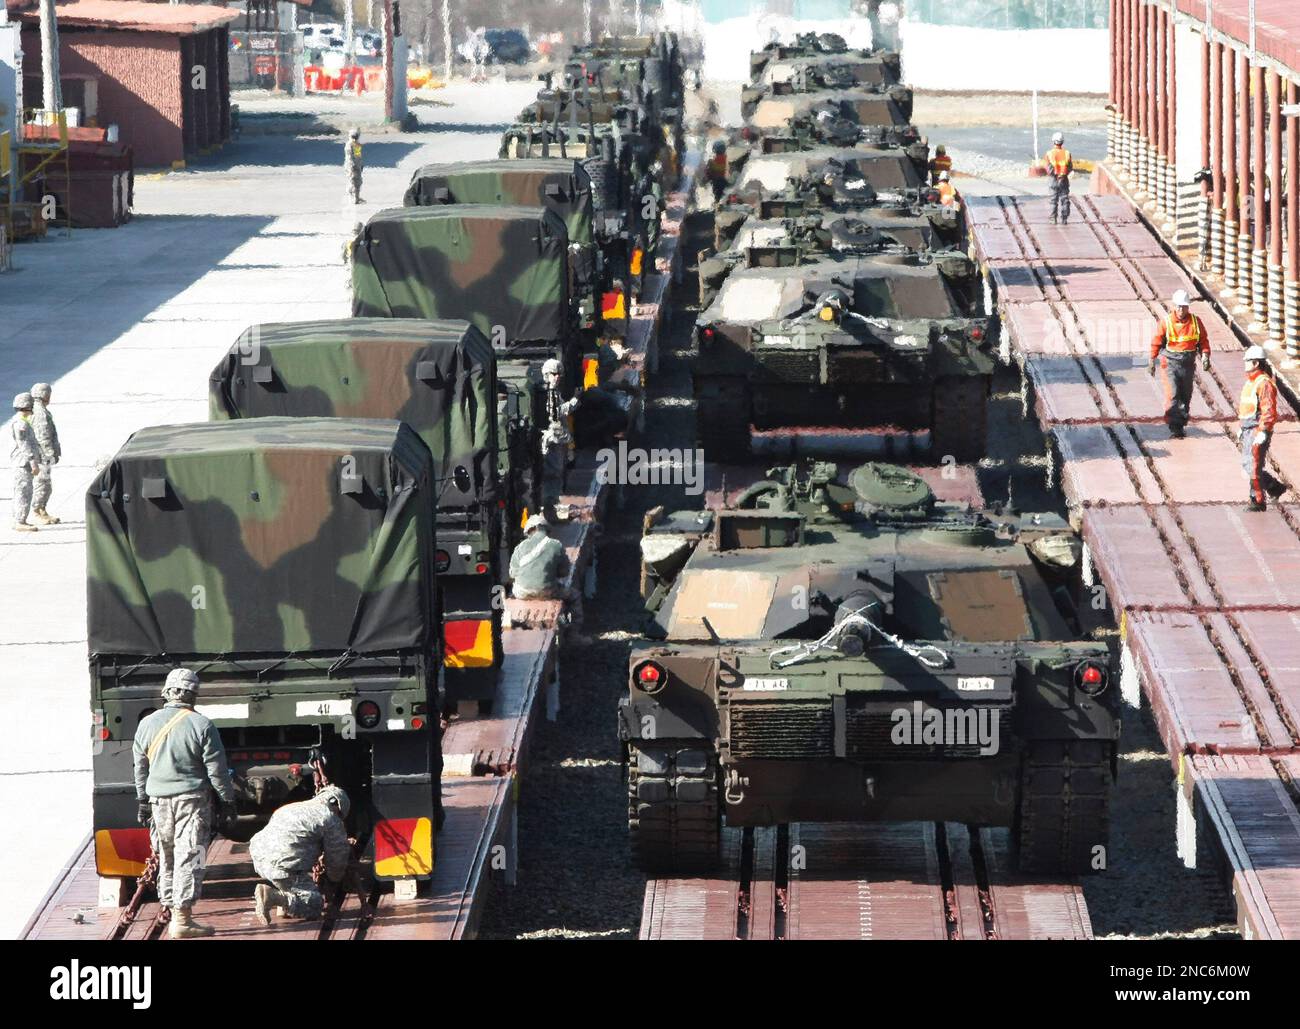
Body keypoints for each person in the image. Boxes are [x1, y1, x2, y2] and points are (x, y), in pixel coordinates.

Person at [133, 668, 237, 939]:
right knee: (191, 855)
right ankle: (183, 920)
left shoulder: (146, 724)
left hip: (157, 803)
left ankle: (168, 908)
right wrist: (227, 801)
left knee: (166, 855)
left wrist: (143, 801)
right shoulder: (202, 725)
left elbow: (140, 768)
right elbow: (217, 771)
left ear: (166, 692)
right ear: (193, 694)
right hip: (192, 802)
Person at [250, 785, 352, 925]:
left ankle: (284, 900)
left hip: (259, 859)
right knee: (315, 904)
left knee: (292, 880)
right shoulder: (330, 819)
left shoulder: (290, 807)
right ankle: (275, 897)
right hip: (283, 868)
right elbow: (336, 863)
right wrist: (336, 879)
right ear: (338, 807)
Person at [1147, 289, 1210, 438]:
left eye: (1184, 306)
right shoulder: (1166, 322)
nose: (1181, 310)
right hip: (1170, 364)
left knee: (1185, 395)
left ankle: (1180, 423)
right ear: (1174, 306)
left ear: (1188, 307)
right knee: (1173, 394)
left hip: (1188, 364)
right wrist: (1151, 359)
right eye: (1179, 306)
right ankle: (1174, 426)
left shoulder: (1195, 322)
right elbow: (1156, 341)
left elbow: (1203, 340)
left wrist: (1206, 355)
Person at [1238, 345, 1286, 511]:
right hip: (1248, 429)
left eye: (1248, 361)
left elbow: (1268, 410)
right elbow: (1248, 408)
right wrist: (1242, 428)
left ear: (1256, 363)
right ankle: (1274, 487)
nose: (1245, 364)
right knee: (1248, 465)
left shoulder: (1263, 383)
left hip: (1256, 430)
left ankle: (1258, 500)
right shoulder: (1251, 382)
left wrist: (1263, 431)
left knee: (1252, 466)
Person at [541, 357, 578, 519]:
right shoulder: (548, 392)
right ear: (546, 374)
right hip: (553, 439)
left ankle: (555, 503)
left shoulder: (553, 392)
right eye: (553, 374)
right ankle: (552, 506)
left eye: (559, 374)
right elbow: (555, 413)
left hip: (559, 438)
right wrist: (575, 401)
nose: (557, 377)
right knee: (554, 472)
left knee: (559, 470)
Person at [509, 513, 572, 599]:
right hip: (548, 591)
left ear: (530, 530)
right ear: (546, 529)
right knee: (574, 595)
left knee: (511, 594)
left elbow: (512, 573)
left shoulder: (520, 547)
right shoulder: (556, 545)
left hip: (522, 592)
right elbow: (565, 572)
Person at [29, 382, 60, 524]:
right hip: (42, 456)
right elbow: (43, 436)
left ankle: (42, 509)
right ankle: (37, 511)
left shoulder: (39, 409)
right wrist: (50, 454)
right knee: (42, 483)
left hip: (41, 455)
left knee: (45, 484)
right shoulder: (39, 412)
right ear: (44, 395)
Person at [10, 392, 39, 533]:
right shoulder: (20, 424)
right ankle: (20, 521)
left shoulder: (23, 421)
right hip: (23, 463)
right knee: (23, 491)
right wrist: (33, 462)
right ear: (26, 406)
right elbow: (25, 445)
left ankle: (20, 519)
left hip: (24, 462)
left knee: (24, 490)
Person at [1044, 131, 1073, 224]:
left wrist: (1055, 175)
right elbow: (1070, 167)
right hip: (1064, 180)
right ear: (1062, 142)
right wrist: (1062, 174)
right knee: (1065, 199)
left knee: (1053, 201)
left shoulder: (1049, 154)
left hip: (1053, 180)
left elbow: (1048, 169)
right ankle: (1064, 219)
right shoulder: (1067, 153)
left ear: (1053, 141)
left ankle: (1053, 219)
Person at [705, 138, 728, 207]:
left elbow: (708, 173)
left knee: (717, 197)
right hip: (725, 182)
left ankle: (717, 204)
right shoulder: (727, 159)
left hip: (716, 182)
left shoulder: (711, 161)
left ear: (714, 150)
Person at [345, 127, 363, 204]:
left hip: (349, 165)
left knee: (352, 180)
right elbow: (357, 156)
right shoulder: (355, 144)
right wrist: (359, 165)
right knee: (356, 181)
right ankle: (355, 198)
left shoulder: (349, 144)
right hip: (354, 165)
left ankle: (355, 197)